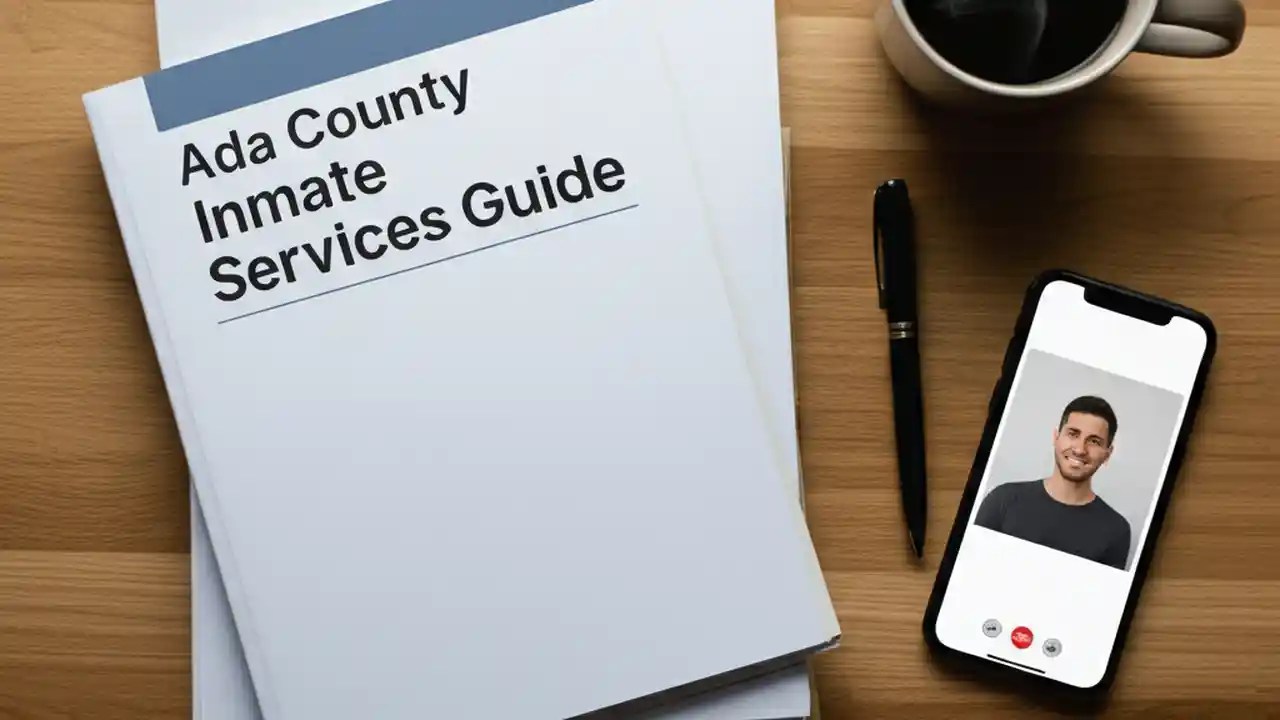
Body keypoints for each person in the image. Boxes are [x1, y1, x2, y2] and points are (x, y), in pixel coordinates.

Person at [975, 395, 1131, 570]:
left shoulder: (1116, 530)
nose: (1080, 449)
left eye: (1094, 441)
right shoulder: (1003, 500)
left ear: (1107, 454)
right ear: (1056, 437)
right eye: (1073, 434)